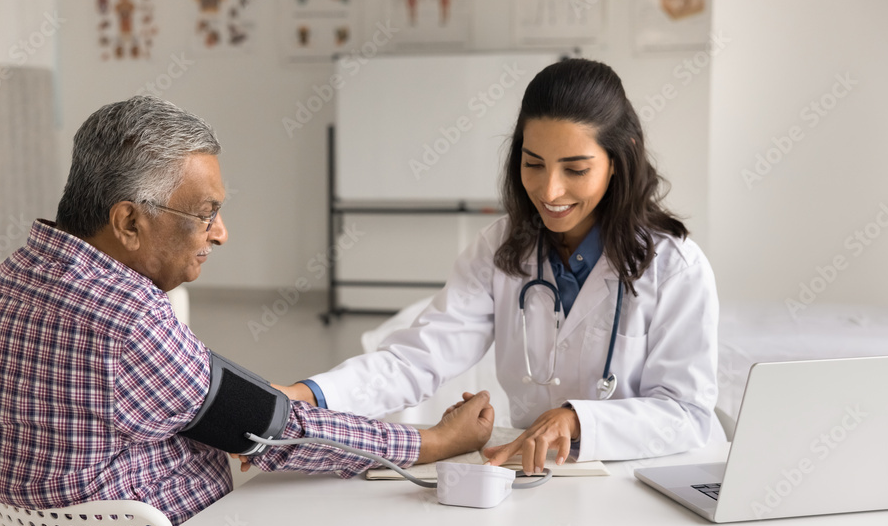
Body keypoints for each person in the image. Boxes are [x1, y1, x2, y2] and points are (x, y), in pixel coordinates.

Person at [0, 96, 494, 526]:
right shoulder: (126, 317)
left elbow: (208, 401)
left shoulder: (5, 282)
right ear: (129, 222)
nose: (221, 234)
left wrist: (255, 406)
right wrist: (434, 441)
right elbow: (272, 432)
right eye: (206, 214)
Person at [281, 58, 721, 475]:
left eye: (575, 170)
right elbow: (417, 358)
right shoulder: (500, 248)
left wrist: (576, 421)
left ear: (618, 160)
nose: (550, 190)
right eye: (533, 164)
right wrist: (307, 396)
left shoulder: (674, 267)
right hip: (533, 471)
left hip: (639, 477)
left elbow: (686, 414)